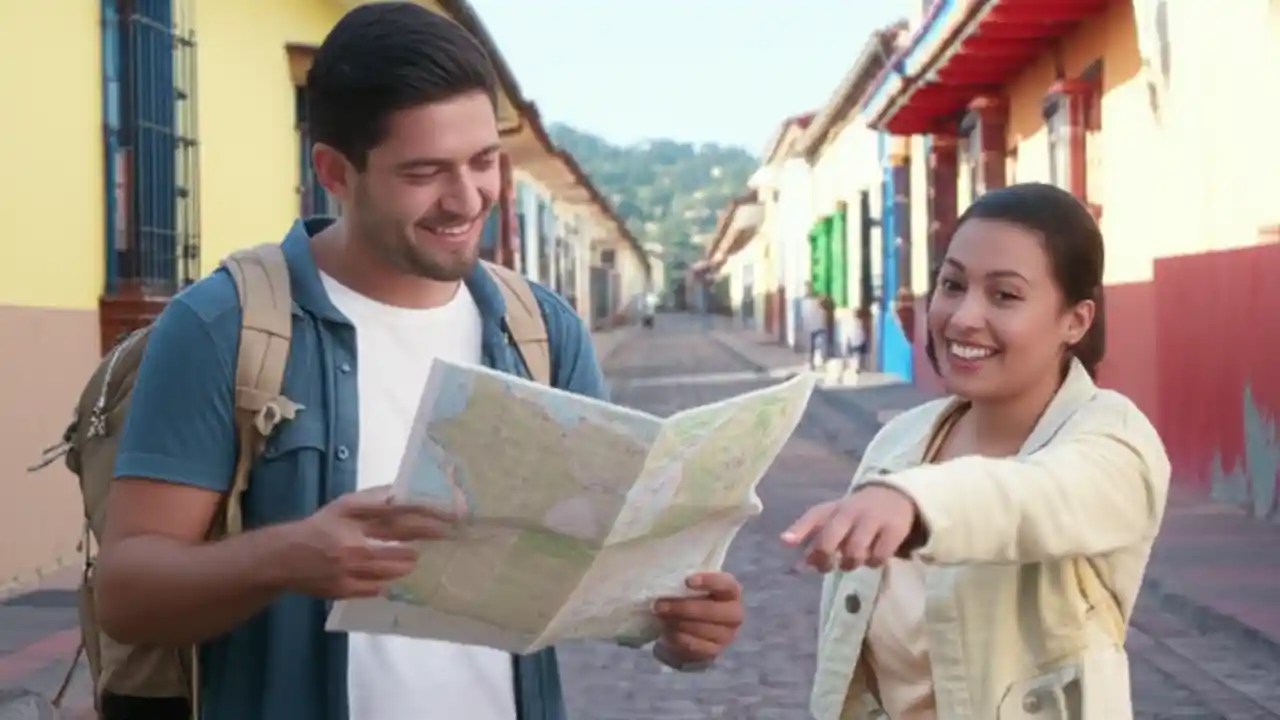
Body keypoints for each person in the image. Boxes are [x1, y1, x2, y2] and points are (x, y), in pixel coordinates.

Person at [92, 5, 745, 720]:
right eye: (425, 172)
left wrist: (676, 625)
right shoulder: (221, 328)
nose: (466, 200)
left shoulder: (542, 331)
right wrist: (286, 557)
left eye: (484, 160)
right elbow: (127, 595)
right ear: (336, 172)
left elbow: (600, 574)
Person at [782, 183, 1170, 720]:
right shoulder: (901, 441)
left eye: (1005, 295)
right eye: (952, 284)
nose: (963, 316)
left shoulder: (1115, 439)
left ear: (1074, 321)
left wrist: (912, 502)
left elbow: (1032, 498)